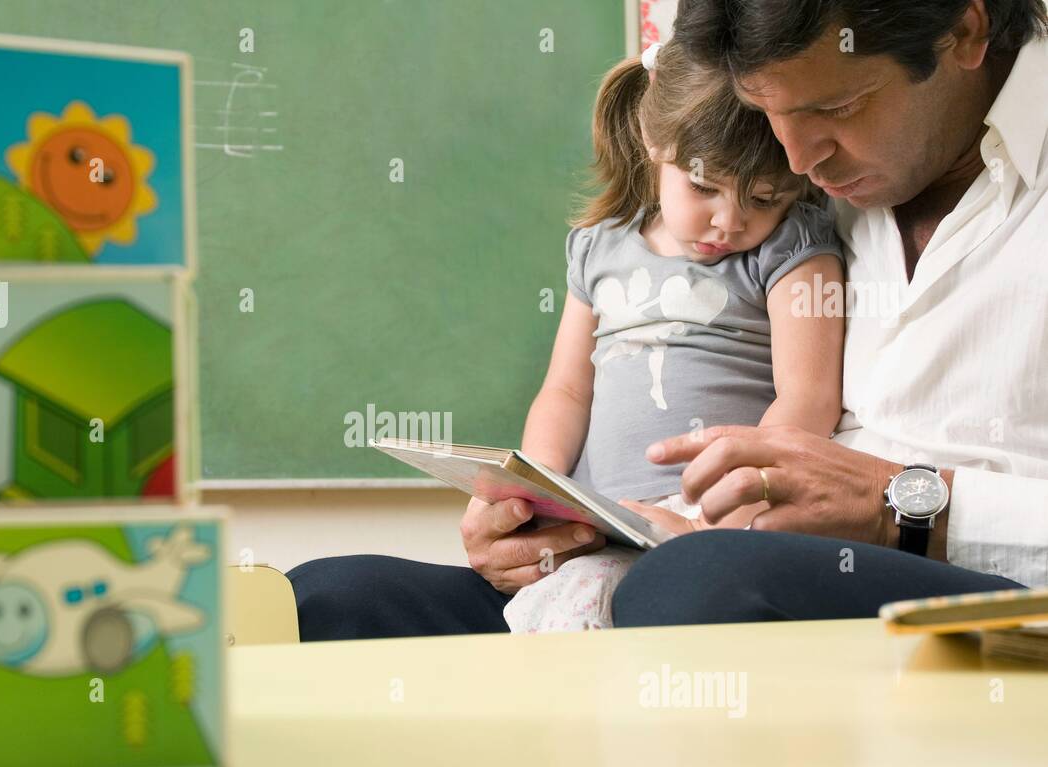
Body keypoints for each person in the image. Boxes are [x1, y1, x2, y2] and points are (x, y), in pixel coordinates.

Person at [288, 0, 1047, 639]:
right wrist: (523, 522)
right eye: (766, 114)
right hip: (687, 562)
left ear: (966, 29)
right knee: (328, 603)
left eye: (835, 107)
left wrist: (904, 504)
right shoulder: (790, 198)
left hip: (953, 604)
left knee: (691, 584)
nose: (795, 158)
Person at [504, 37, 845, 634]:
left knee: (609, 606)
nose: (730, 221)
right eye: (705, 187)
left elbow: (808, 397)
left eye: (762, 198)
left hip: (715, 516)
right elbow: (565, 391)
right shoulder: (597, 247)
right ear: (654, 144)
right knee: (561, 601)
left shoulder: (789, 247)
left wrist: (730, 511)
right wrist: (533, 489)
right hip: (600, 518)